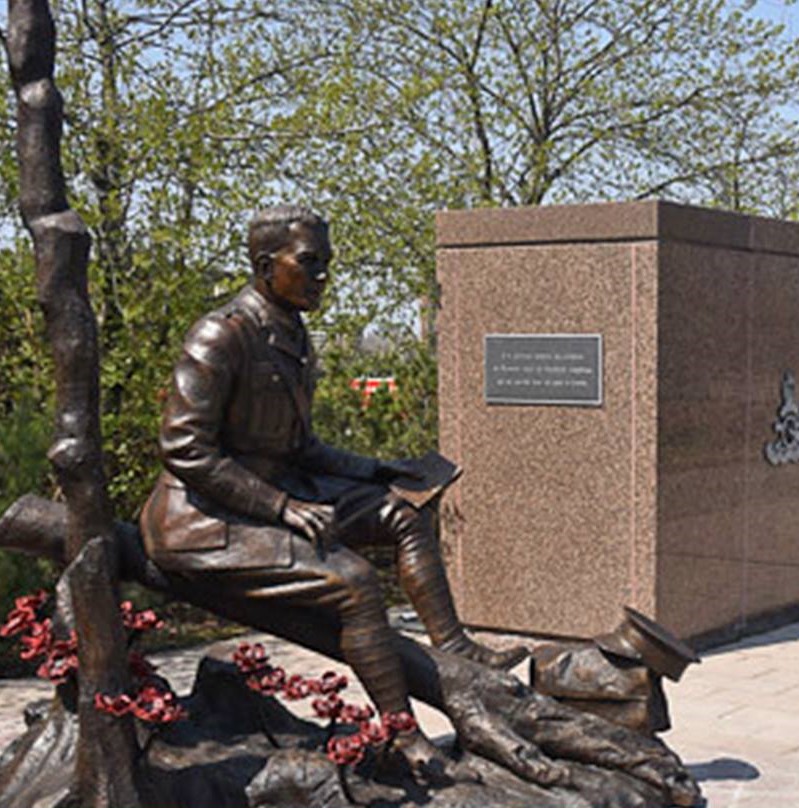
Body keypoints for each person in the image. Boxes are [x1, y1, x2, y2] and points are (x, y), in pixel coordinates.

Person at [140, 205, 526, 769]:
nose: (324, 276)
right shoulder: (221, 336)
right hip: (203, 519)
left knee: (402, 515)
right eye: (310, 262)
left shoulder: (292, 333)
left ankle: (456, 650)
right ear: (266, 265)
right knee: (353, 579)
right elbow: (185, 449)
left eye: (327, 263)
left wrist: (380, 470)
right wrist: (282, 507)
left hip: (279, 496)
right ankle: (401, 732)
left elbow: (301, 449)